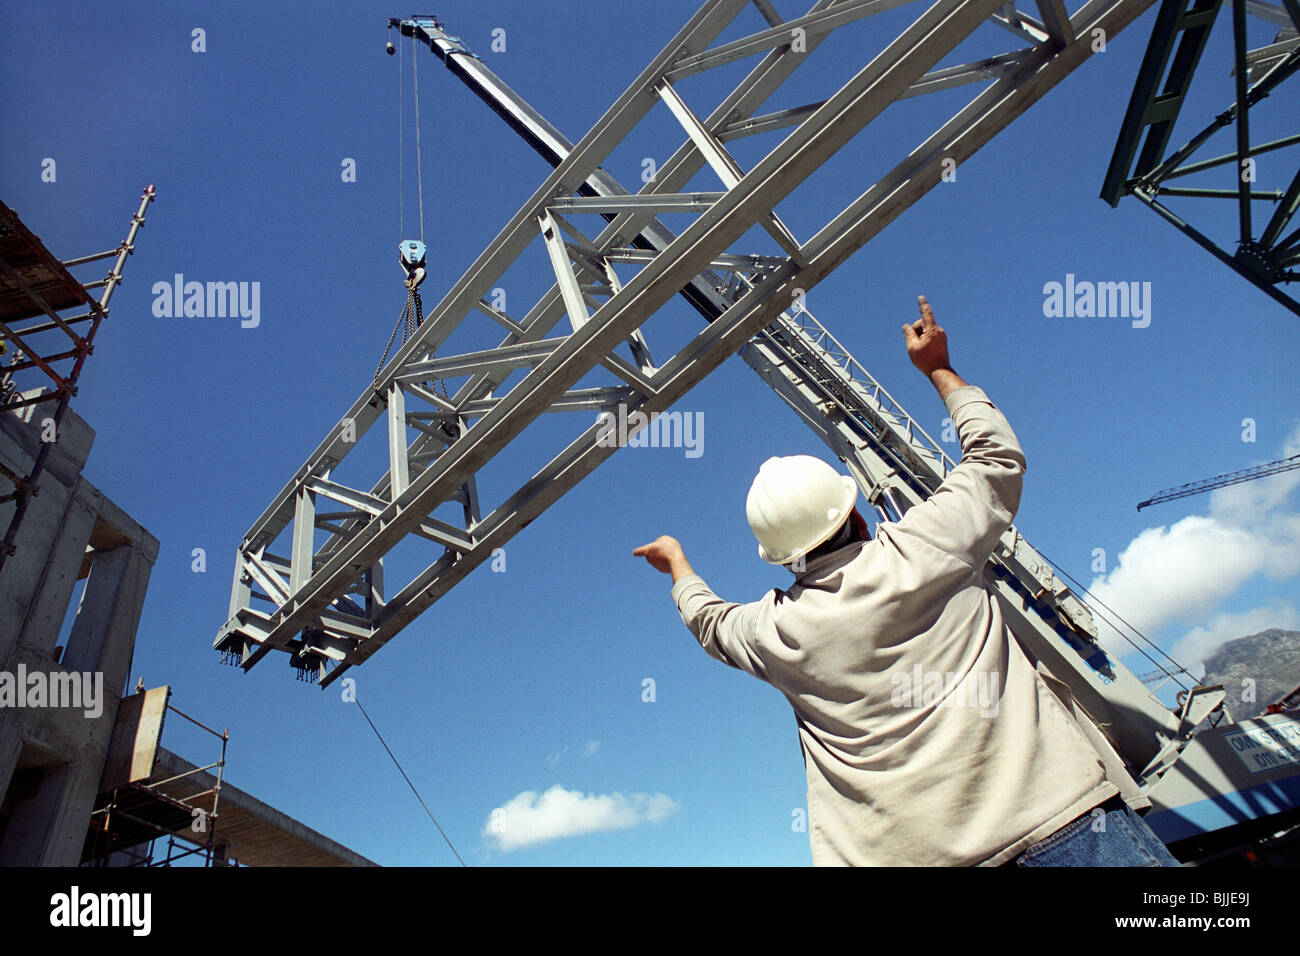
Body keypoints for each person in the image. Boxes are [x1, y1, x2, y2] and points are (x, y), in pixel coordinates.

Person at [633, 295, 1179, 867]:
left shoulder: (774, 632)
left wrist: (677, 564)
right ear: (856, 514)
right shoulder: (929, 543)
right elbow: (995, 457)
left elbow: (708, 620)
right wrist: (938, 367)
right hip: (1059, 823)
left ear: (781, 557)